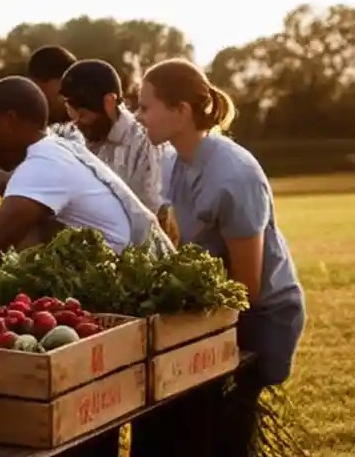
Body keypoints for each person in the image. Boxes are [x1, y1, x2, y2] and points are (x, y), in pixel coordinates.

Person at [134, 59, 305, 456]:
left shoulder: (233, 175)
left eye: (145, 107)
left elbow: (247, 287)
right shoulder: (172, 162)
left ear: (181, 112)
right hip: (213, 308)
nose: (138, 117)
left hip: (260, 316)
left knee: (220, 430)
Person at [0, 76, 173, 301]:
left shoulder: (44, 164)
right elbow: (11, 189)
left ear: (9, 121)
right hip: (110, 275)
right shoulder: (53, 149)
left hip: (113, 287)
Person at [59, 59, 180, 244]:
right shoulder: (70, 136)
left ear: (109, 102)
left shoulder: (145, 143)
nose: (77, 124)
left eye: (83, 115)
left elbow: (151, 218)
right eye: (72, 115)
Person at [0, 45, 81, 189]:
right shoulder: (15, 123)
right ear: (39, 82)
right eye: (63, 90)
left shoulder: (75, 130)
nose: (71, 98)